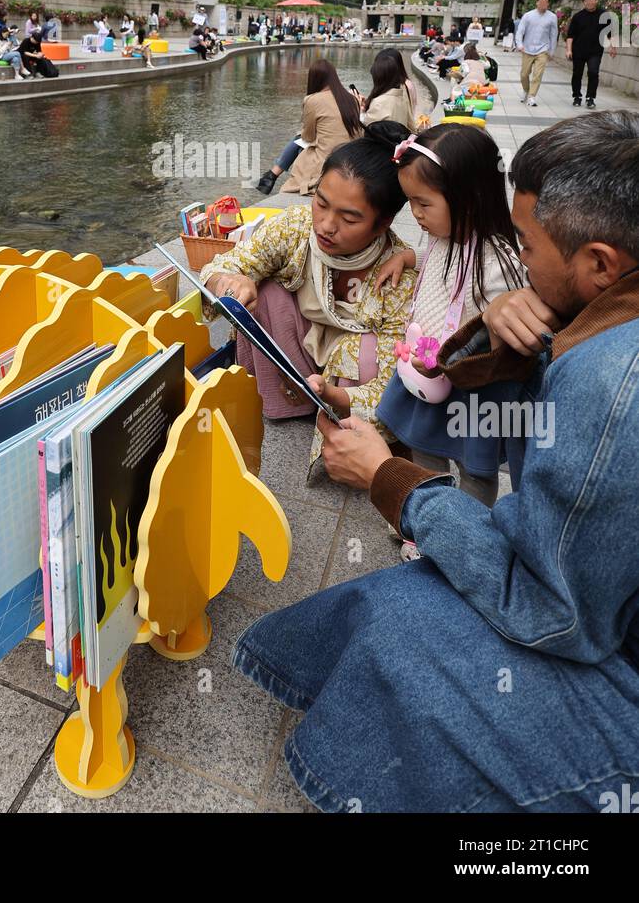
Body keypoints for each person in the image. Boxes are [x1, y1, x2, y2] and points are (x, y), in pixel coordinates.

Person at [232, 110, 639, 814]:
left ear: (599, 263)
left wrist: (390, 479)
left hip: (604, 654)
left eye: (530, 244)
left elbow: (550, 611)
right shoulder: (595, 315)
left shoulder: (612, 386)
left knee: (389, 618)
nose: (519, 257)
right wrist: (514, 316)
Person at [201, 124, 416, 449]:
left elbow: (390, 384)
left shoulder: (398, 278)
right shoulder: (295, 228)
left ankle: (336, 416)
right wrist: (228, 281)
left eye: (350, 218)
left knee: (367, 351)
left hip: (348, 388)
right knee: (268, 292)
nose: (326, 225)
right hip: (297, 354)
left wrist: (333, 394)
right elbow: (225, 266)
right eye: (321, 202)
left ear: (383, 223)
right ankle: (289, 401)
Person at [362, 124, 522, 557]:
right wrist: (405, 256)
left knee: (475, 469)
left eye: (422, 202)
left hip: (470, 385)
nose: (414, 213)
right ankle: (424, 518)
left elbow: (509, 328)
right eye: (411, 201)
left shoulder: (497, 261)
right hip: (423, 373)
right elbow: (430, 254)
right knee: (423, 450)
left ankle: (462, 536)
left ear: (468, 198)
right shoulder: (439, 233)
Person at [257, 60, 363, 197]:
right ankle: (271, 175)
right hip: (350, 158)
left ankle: (271, 175)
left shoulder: (312, 99)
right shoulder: (352, 99)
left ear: (314, 78)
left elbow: (308, 137)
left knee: (298, 139)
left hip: (327, 160)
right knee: (299, 138)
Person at [565, 0, 617, 109]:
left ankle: (590, 98)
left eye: (592, 0)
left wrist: (613, 47)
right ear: (583, 2)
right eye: (587, 1)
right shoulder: (578, 17)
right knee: (577, 74)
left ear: (596, 0)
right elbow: (570, 36)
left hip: (595, 51)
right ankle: (577, 96)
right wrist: (569, 50)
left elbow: (610, 33)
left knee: (593, 73)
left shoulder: (604, 15)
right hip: (578, 51)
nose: (590, 2)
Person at [515, 0, 558, 107]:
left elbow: (554, 35)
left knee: (537, 74)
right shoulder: (528, 16)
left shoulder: (552, 17)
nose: (544, 4)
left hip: (543, 50)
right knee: (524, 74)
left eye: (546, 2)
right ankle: (526, 90)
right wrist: (519, 44)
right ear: (537, 3)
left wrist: (552, 52)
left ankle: (532, 96)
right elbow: (520, 31)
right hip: (527, 48)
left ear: (548, 4)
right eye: (541, 2)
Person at [361, 49, 416, 130]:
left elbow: (367, 126)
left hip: (385, 140)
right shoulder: (400, 92)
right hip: (400, 137)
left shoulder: (380, 102)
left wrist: (359, 110)